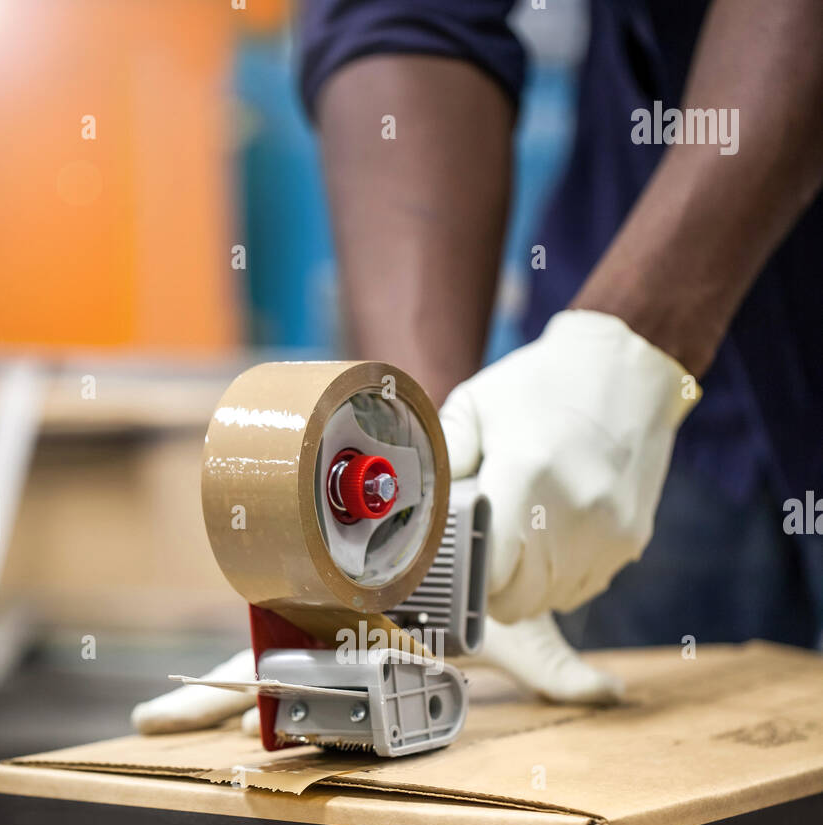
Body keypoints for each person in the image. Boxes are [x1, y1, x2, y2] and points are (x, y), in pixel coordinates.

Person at [134, 0, 823, 735]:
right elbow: (406, 15)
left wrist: (632, 345)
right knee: (649, 781)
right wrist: (421, 506)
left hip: (669, 309)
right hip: (638, 420)